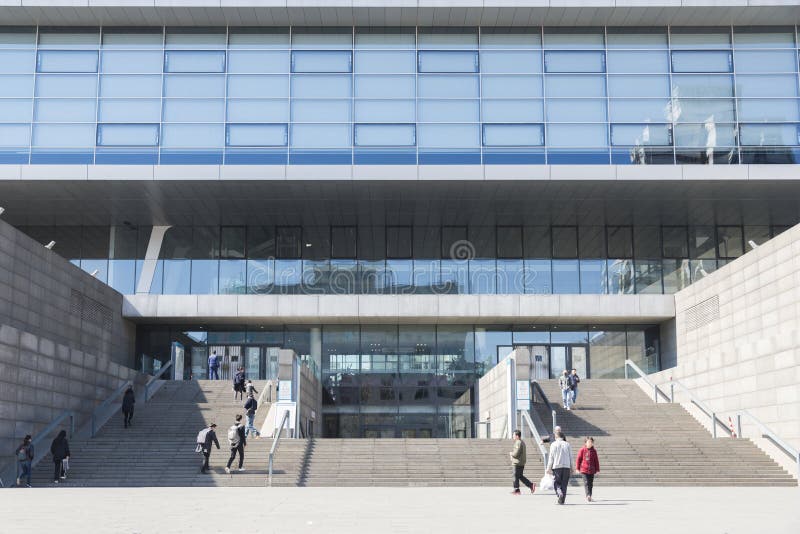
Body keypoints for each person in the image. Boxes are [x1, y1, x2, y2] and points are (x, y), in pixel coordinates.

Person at [546, 431, 573, 505]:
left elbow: (551, 458)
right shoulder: (567, 444)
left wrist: (548, 468)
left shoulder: (553, 444)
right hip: (566, 467)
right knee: (564, 484)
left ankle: (559, 493)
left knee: (557, 483)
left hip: (557, 467)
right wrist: (572, 467)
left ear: (556, 437)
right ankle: (562, 501)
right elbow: (571, 457)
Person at [509, 430, 536, 495]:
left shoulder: (518, 442)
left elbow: (516, 454)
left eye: (514, 435)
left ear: (517, 436)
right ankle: (531, 485)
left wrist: (511, 453)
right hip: (521, 462)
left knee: (515, 476)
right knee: (520, 476)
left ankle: (517, 489)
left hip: (517, 462)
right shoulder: (522, 442)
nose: (513, 436)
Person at [576, 437, 600, 502]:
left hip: (592, 470)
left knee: (590, 483)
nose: (590, 443)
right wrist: (577, 468)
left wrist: (597, 470)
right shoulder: (582, 450)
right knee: (586, 482)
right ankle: (588, 495)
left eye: (591, 442)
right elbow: (578, 459)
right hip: (584, 470)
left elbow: (596, 461)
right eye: (588, 442)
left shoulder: (594, 451)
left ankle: (590, 495)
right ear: (585, 443)